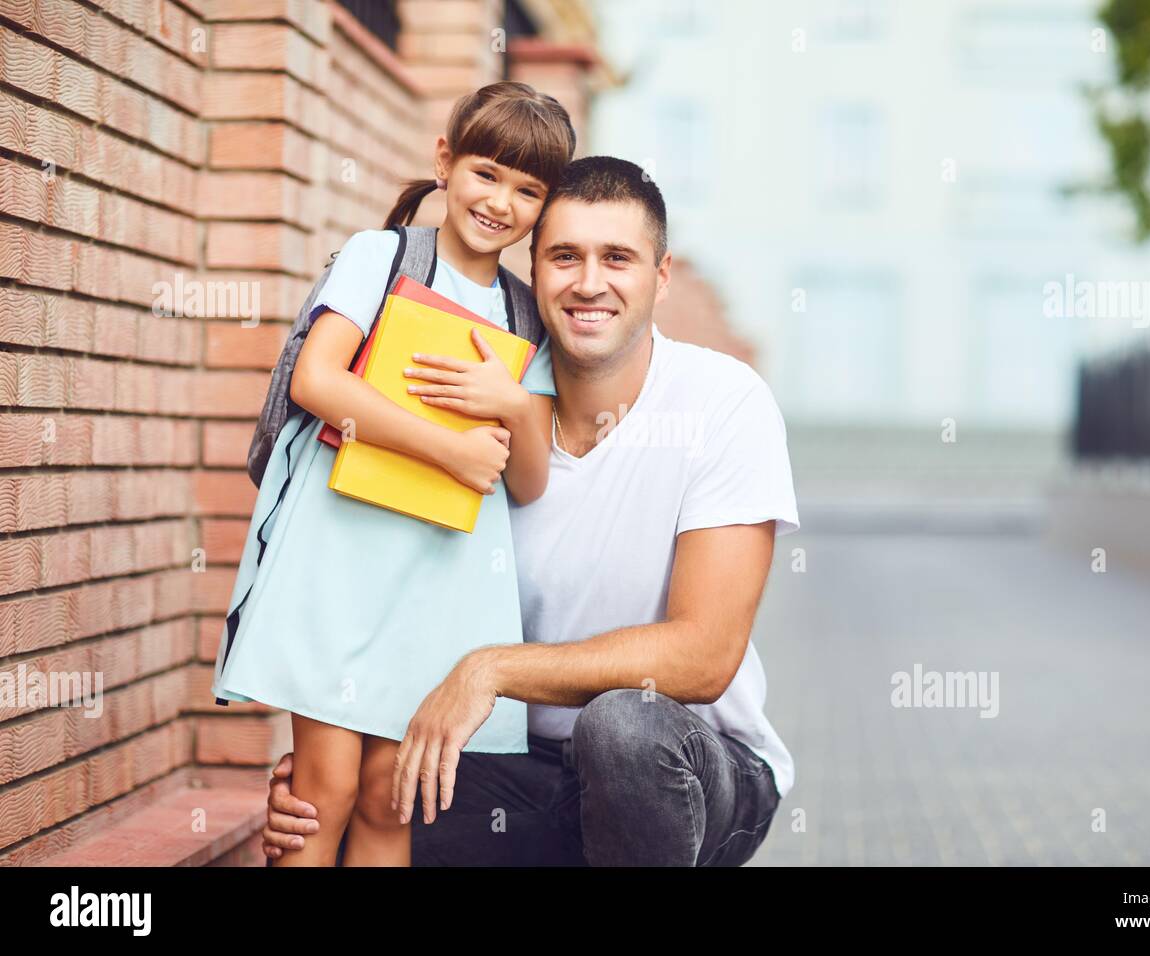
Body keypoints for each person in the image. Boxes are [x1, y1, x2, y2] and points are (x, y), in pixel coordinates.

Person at [261, 156, 800, 866]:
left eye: (618, 258)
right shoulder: (476, 391)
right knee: (367, 805)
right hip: (515, 761)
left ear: (660, 277)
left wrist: (491, 670)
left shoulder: (723, 402)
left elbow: (703, 657)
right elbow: (385, 582)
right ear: (534, 268)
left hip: (693, 769)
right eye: (564, 256)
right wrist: (332, 769)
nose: (588, 283)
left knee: (622, 730)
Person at [209, 81, 576, 866]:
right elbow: (318, 379)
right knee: (325, 790)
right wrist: (447, 448)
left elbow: (533, 478)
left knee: (390, 799)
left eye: (528, 189)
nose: (501, 201)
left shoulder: (523, 314)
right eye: (487, 173)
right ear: (445, 161)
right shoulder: (381, 256)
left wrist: (510, 402)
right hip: (341, 562)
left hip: (436, 585)